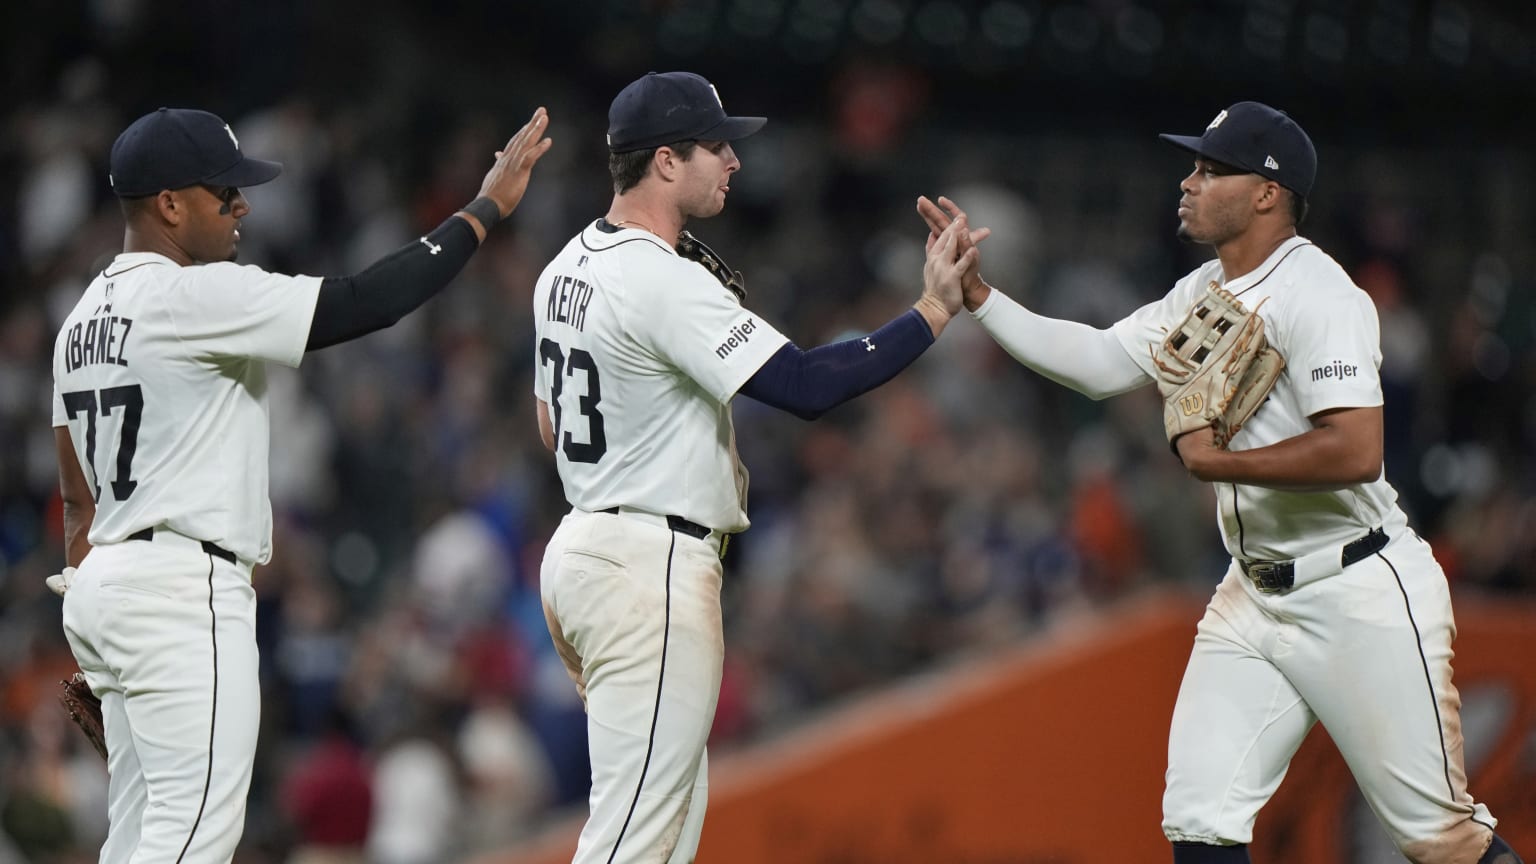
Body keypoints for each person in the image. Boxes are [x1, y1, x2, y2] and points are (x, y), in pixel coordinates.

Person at [919, 102, 1522, 864]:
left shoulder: (1322, 296)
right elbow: (1103, 363)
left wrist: (1219, 463)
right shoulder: (1204, 289)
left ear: (1268, 192)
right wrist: (981, 300)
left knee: (1442, 841)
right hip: (1254, 594)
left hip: (1358, 585)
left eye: (1210, 169)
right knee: (1199, 819)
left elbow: (1356, 451)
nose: (1188, 181)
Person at [49, 104, 551, 862]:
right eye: (225, 192)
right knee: (193, 842)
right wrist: (484, 210)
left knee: (136, 837)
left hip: (107, 584)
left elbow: (75, 499)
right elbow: (367, 300)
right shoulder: (195, 294)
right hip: (181, 589)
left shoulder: (78, 322)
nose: (243, 204)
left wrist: (103, 637)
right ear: (170, 205)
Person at [532, 70, 976, 863]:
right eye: (715, 145)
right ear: (665, 161)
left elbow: (547, 422)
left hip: (583, 551)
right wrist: (933, 310)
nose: (734, 161)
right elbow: (805, 386)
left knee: (661, 836)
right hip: (648, 567)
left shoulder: (564, 266)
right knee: (632, 843)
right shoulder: (659, 278)